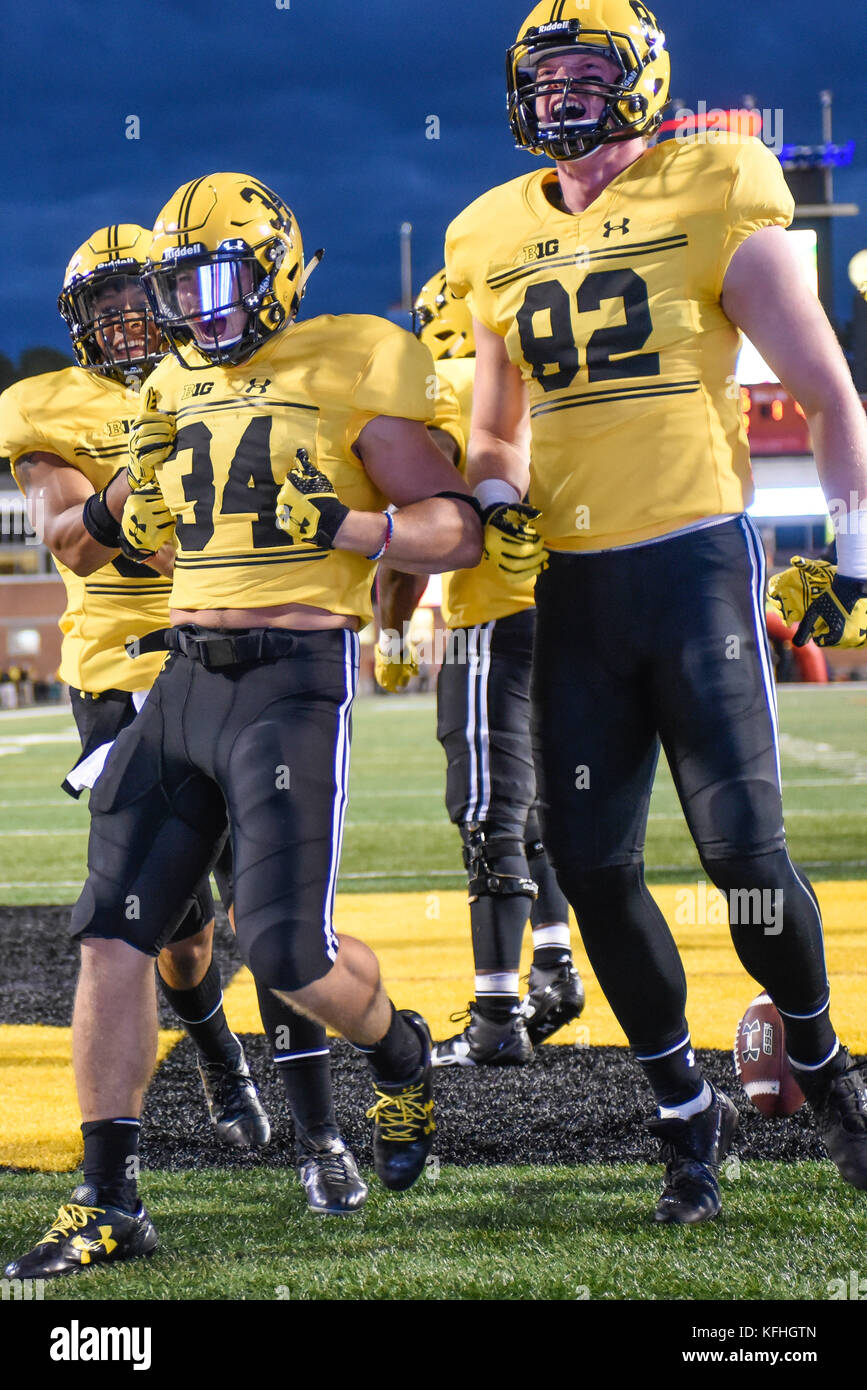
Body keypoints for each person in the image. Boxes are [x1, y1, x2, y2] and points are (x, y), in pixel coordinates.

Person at [4, 171, 484, 1279]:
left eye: (216, 279)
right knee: (114, 934)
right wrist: (125, 503)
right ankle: (109, 1198)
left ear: (274, 270)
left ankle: (400, 1053)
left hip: (289, 680)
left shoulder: (356, 355)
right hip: (182, 681)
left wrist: (351, 522)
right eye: (180, 285)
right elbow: (103, 528)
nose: (194, 308)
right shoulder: (171, 382)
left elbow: (453, 527)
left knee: (284, 950)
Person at [445, 0, 867, 1222]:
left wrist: (850, 559)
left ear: (642, 81)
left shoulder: (719, 183)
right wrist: (492, 492)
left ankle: (822, 1057)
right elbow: (492, 428)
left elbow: (831, 394)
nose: (564, 97)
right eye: (547, 76)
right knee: (591, 861)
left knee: (740, 854)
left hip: (694, 567)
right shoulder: (491, 232)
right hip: (572, 585)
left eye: (589, 73)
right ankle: (685, 1108)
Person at [0, 223, 371, 1221]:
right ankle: (214, 1052)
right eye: (105, 309)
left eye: (138, 301)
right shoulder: (47, 408)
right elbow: (75, 542)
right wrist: (150, 467)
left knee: (268, 918)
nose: (125, 325)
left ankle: (321, 1135)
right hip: (120, 683)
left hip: (233, 665)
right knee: (175, 934)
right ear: (79, 325)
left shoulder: (237, 383)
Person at [377, 269, 584, 1066]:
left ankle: (497, 1016)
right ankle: (556, 966)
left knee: (487, 812)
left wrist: (392, 636)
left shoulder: (450, 389)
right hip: (577, 616)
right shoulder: (560, 377)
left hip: (491, 619)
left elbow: (422, 533)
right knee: (541, 810)